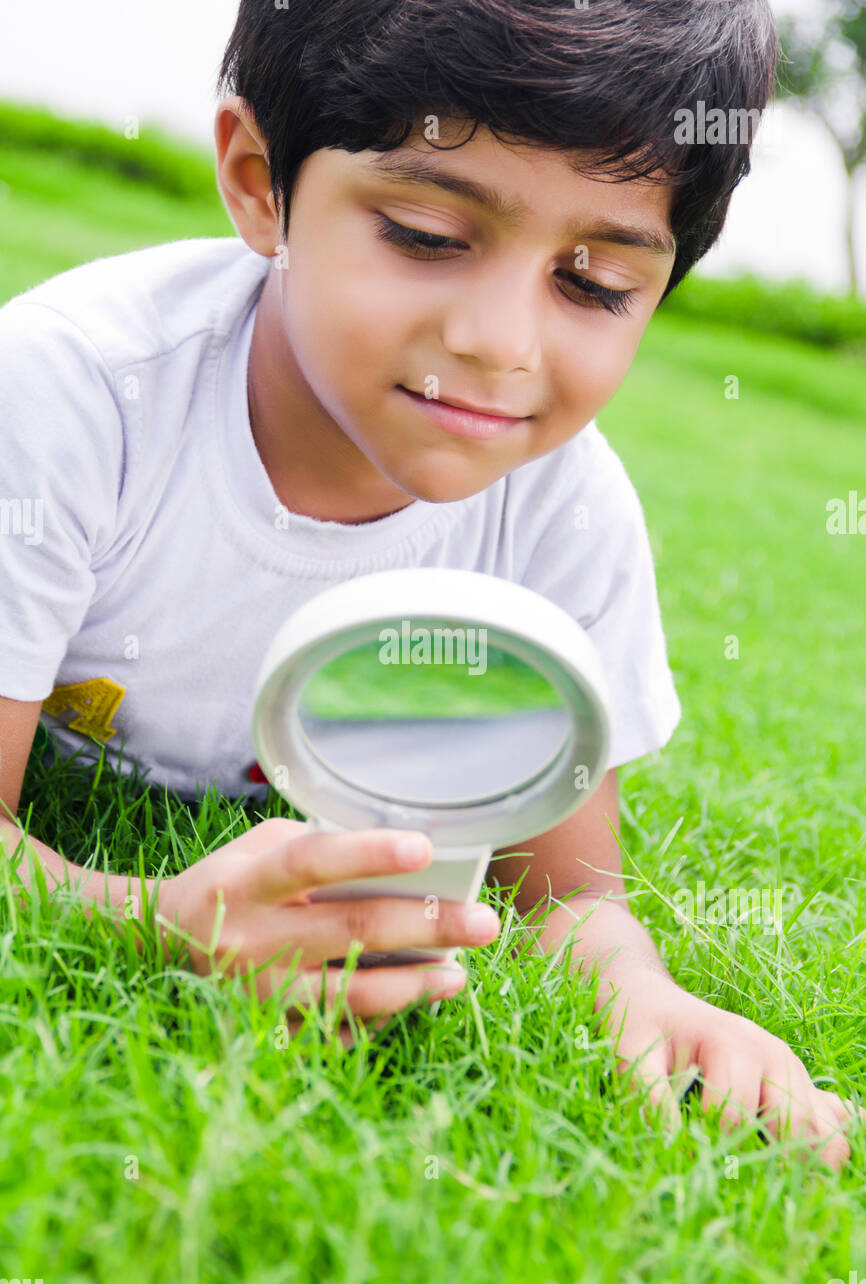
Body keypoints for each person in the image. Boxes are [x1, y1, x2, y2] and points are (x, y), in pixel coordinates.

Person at [0, 0, 858, 1166]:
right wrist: (146, 920)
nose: (500, 342)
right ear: (261, 183)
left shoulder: (565, 509)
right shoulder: (73, 400)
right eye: (422, 233)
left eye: (594, 281)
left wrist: (643, 998)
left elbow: (561, 897)